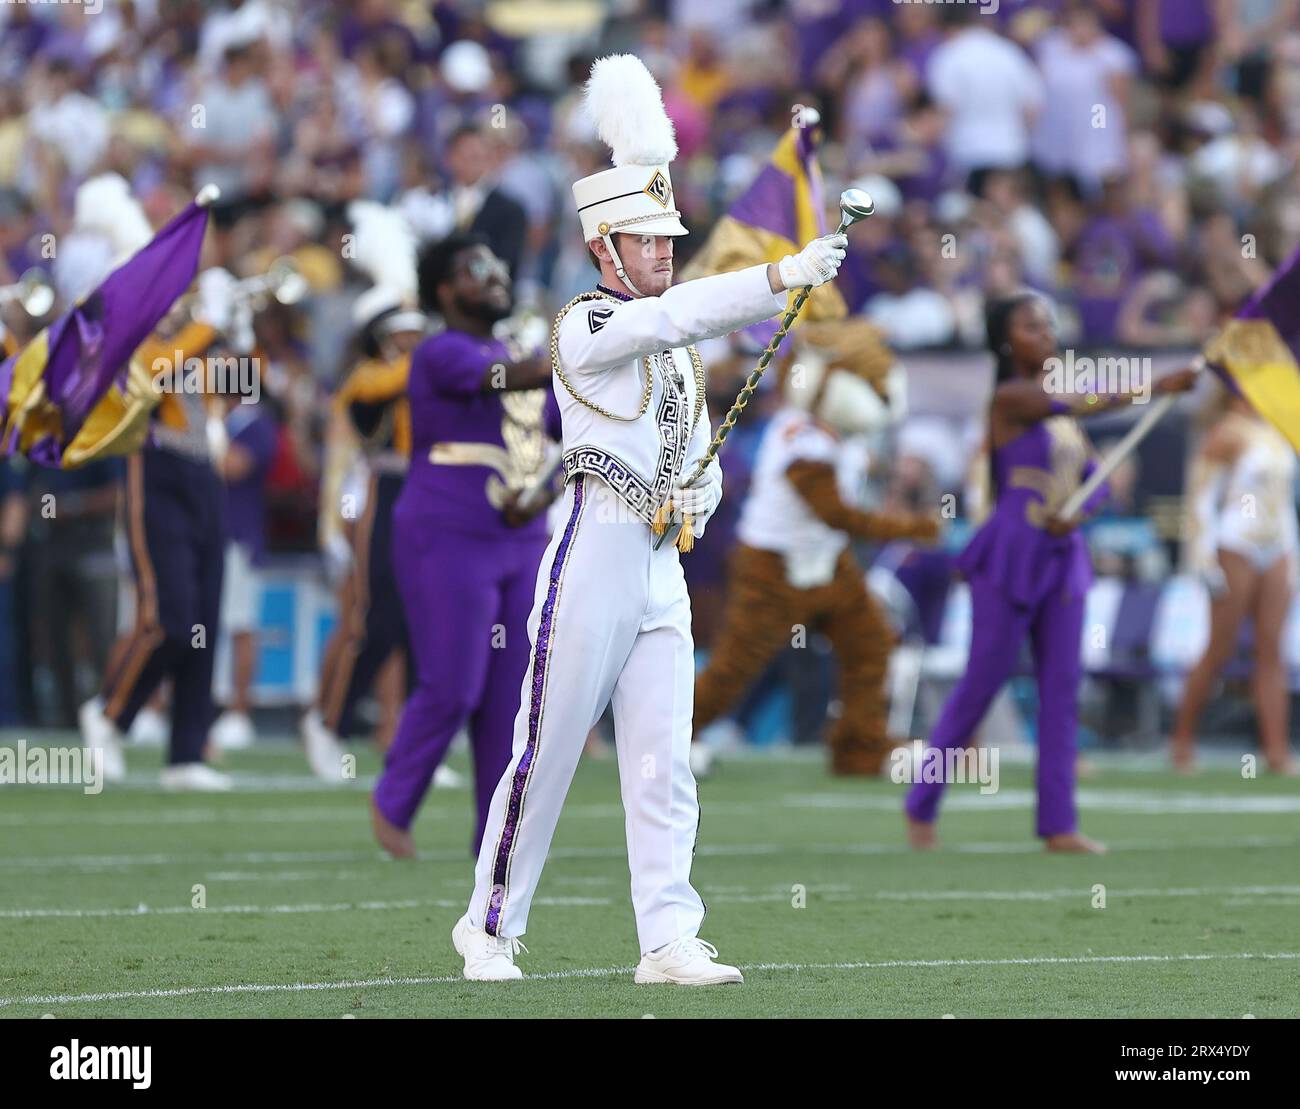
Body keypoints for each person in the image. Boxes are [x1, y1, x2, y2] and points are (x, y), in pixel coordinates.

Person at [451, 54, 848, 985]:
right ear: (603, 249)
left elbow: (691, 443)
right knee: (545, 748)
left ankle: (667, 937)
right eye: (644, 240)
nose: (664, 251)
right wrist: (780, 275)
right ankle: (489, 925)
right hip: (590, 552)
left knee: (665, 764)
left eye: (668, 238)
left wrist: (696, 502)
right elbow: (671, 323)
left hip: (659, 562)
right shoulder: (587, 327)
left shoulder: (671, 342)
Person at [902, 291, 1197, 853]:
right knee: (981, 684)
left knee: (1062, 688)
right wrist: (1159, 384)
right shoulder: (1012, 399)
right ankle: (922, 802)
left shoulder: (1061, 419)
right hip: (1011, 554)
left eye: (1049, 324)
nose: (1047, 334)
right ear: (1007, 341)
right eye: (1032, 326)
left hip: (1063, 557)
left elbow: (1099, 478)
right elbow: (1080, 401)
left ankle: (1058, 823)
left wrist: (1079, 511)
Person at [370, 231, 560, 859]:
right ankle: (394, 803)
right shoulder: (439, 351)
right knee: (453, 685)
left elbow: (575, 430)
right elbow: (504, 377)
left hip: (520, 537)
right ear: (445, 291)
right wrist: (584, 349)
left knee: (512, 699)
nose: (494, 273)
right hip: (447, 534)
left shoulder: (521, 351)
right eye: (474, 269)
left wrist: (547, 489)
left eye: (495, 262)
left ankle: (495, 841)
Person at [693, 319, 940, 777]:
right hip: (773, 566)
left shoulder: (836, 432)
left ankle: (859, 746)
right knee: (735, 666)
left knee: (869, 645)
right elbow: (836, 514)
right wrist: (911, 526)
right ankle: (674, 738)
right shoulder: (803, 440)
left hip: (826, 563)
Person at [302, 201, 432, 778]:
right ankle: (327, 722)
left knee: (412, 622)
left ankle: (403, 739)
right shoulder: (369, 376)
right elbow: (392, 385)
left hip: (423, 494)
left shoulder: (417, 366)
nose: (415, 339)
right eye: (404, 330)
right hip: (380, 493)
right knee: (368, 619)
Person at [1173, 390, 1298, 774]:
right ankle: (1182, 740)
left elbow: (1285, 500)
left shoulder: (1279, 429)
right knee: (1220, 648)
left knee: (1271, 651)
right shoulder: (1227, 432)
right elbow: (1199, 497)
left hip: (1276, 546)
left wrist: (1292, 555)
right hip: (1236, 544)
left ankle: (1276, 750)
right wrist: (1203, 558)